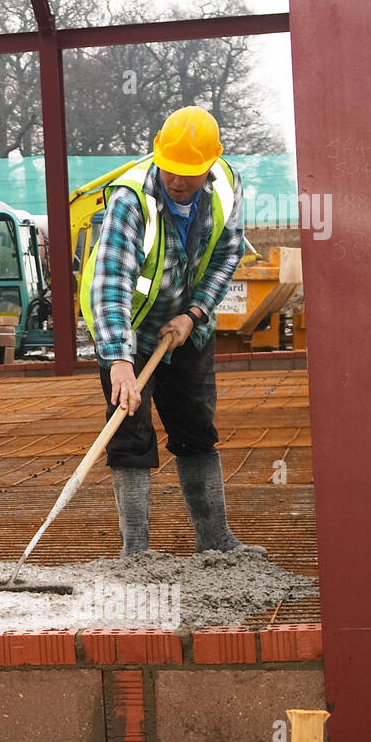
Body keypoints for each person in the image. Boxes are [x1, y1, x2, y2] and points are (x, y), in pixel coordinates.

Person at [81, 105, 261, 557]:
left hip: (186, 329)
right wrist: (121, 360)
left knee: (196, 429)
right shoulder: (130, 200)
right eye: (170, 169)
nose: (177, 180)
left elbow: (228, 253)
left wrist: (195, 313)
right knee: (130, 433)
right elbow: (112, 284)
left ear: (209, 166)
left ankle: (214, 540)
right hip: (128, 328)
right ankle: (136, 553)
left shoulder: (226, 187)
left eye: (189, 172)